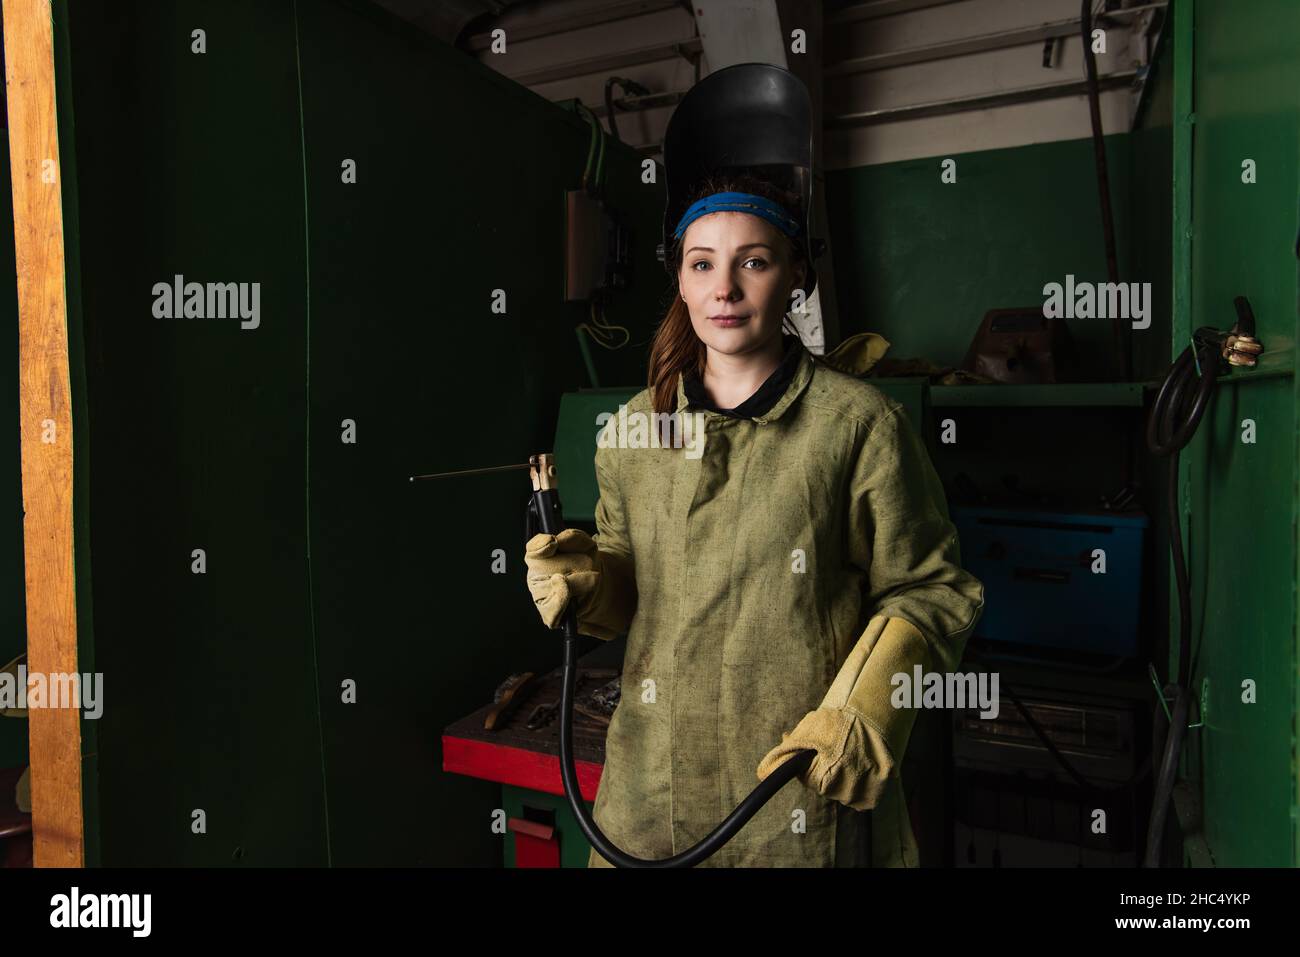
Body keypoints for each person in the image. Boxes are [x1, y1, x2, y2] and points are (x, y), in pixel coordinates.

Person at [524, 166, 985, 867]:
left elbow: (929, 589)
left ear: (795, 274)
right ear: (679, 279)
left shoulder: (859, 426)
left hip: (795, 799)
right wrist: (588, 583)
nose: (725, 289)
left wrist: (866, 710)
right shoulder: (634, 429)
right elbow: (629, 582)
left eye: (755, 261)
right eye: (702, 263)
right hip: (649, 797)